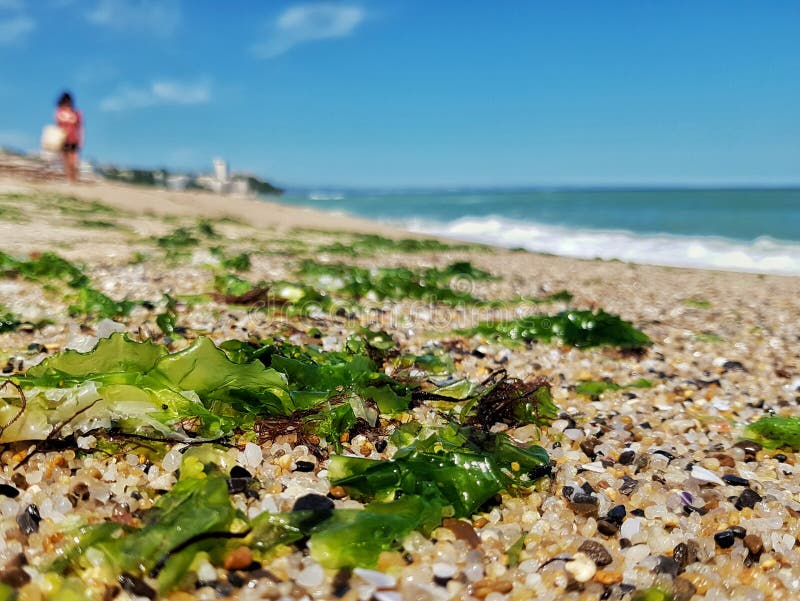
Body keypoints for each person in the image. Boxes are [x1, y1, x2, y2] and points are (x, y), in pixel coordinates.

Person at [55, 92, 83, 183]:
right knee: (65, 161)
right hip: (62, 139)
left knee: (73, 162)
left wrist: (81, 140)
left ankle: (74, 180)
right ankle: (69, 180)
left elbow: (81, 127)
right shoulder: (59, 111)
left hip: (74, 139)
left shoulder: (76, 113)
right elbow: (57, 125)